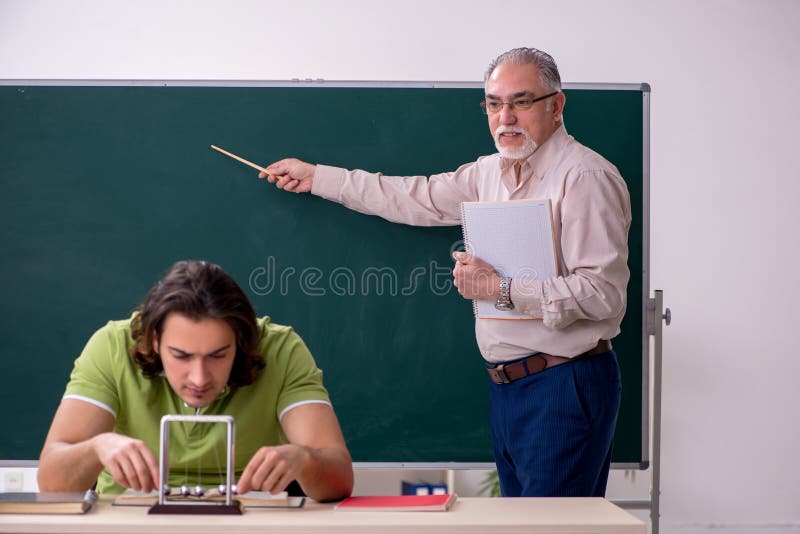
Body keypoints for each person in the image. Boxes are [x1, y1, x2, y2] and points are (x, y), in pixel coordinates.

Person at [257, 47, 631, 498]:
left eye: (521, 101)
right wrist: (318, 177)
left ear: (556, 104)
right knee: (525, 526)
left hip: (564, 383)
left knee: (549, 529)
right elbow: (413, 197)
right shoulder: (488, 173)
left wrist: (501, 289)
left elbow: (603, 294)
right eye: (494, 104)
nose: (505, 117)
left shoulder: (585, 177)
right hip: (509, 388)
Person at [37, 260, 354, 502]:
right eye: (181, 356)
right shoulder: (111, 346)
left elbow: (340, 476)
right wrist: (97, 447)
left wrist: (304, 459)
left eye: (218, 355)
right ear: (156, 340)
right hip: (130, 523)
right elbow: (50, 481)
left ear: (241, 342)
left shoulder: (281, 349)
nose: (200, 378)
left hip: (250, 522)